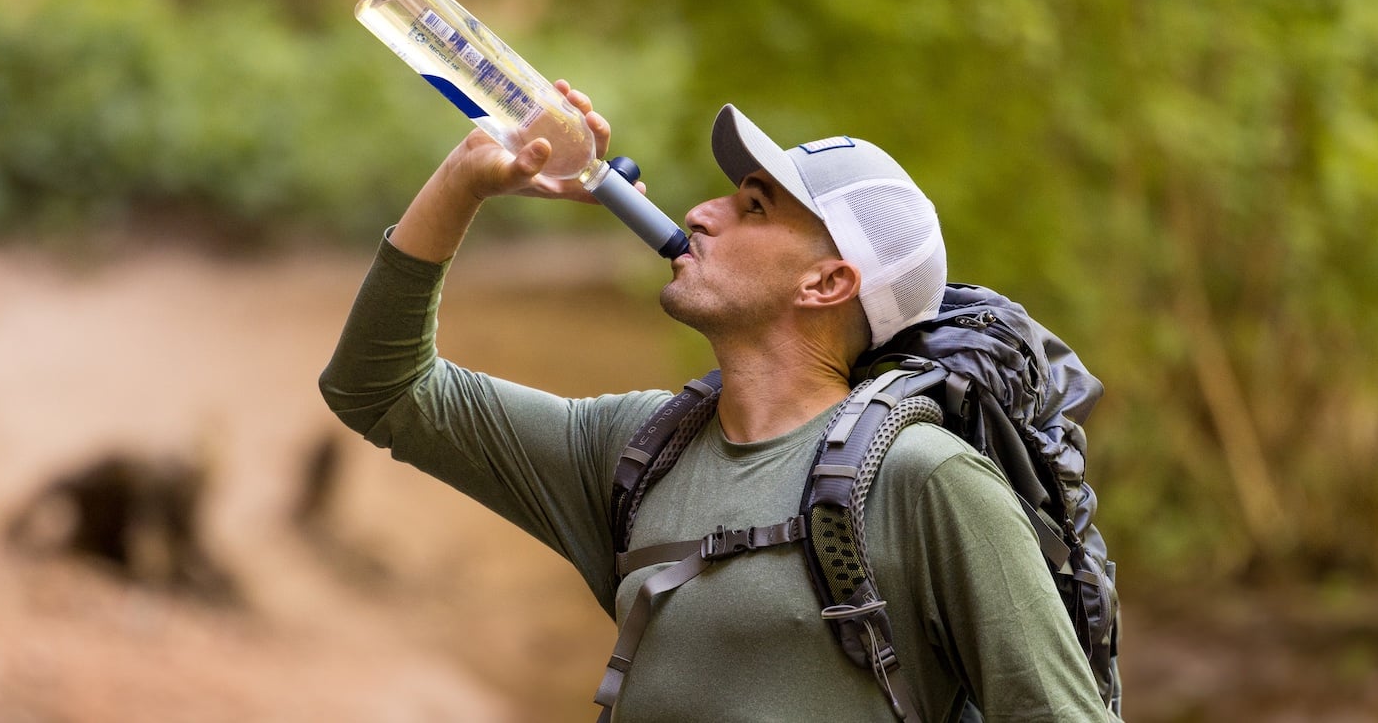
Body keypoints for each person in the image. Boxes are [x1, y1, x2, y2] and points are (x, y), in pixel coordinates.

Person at [319, 81, 1115, 721]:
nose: (702, 212)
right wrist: (464, 183)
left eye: (755, 207)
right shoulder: (636, 447)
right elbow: (380, 388)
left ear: (827, 282)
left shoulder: (926, 479)